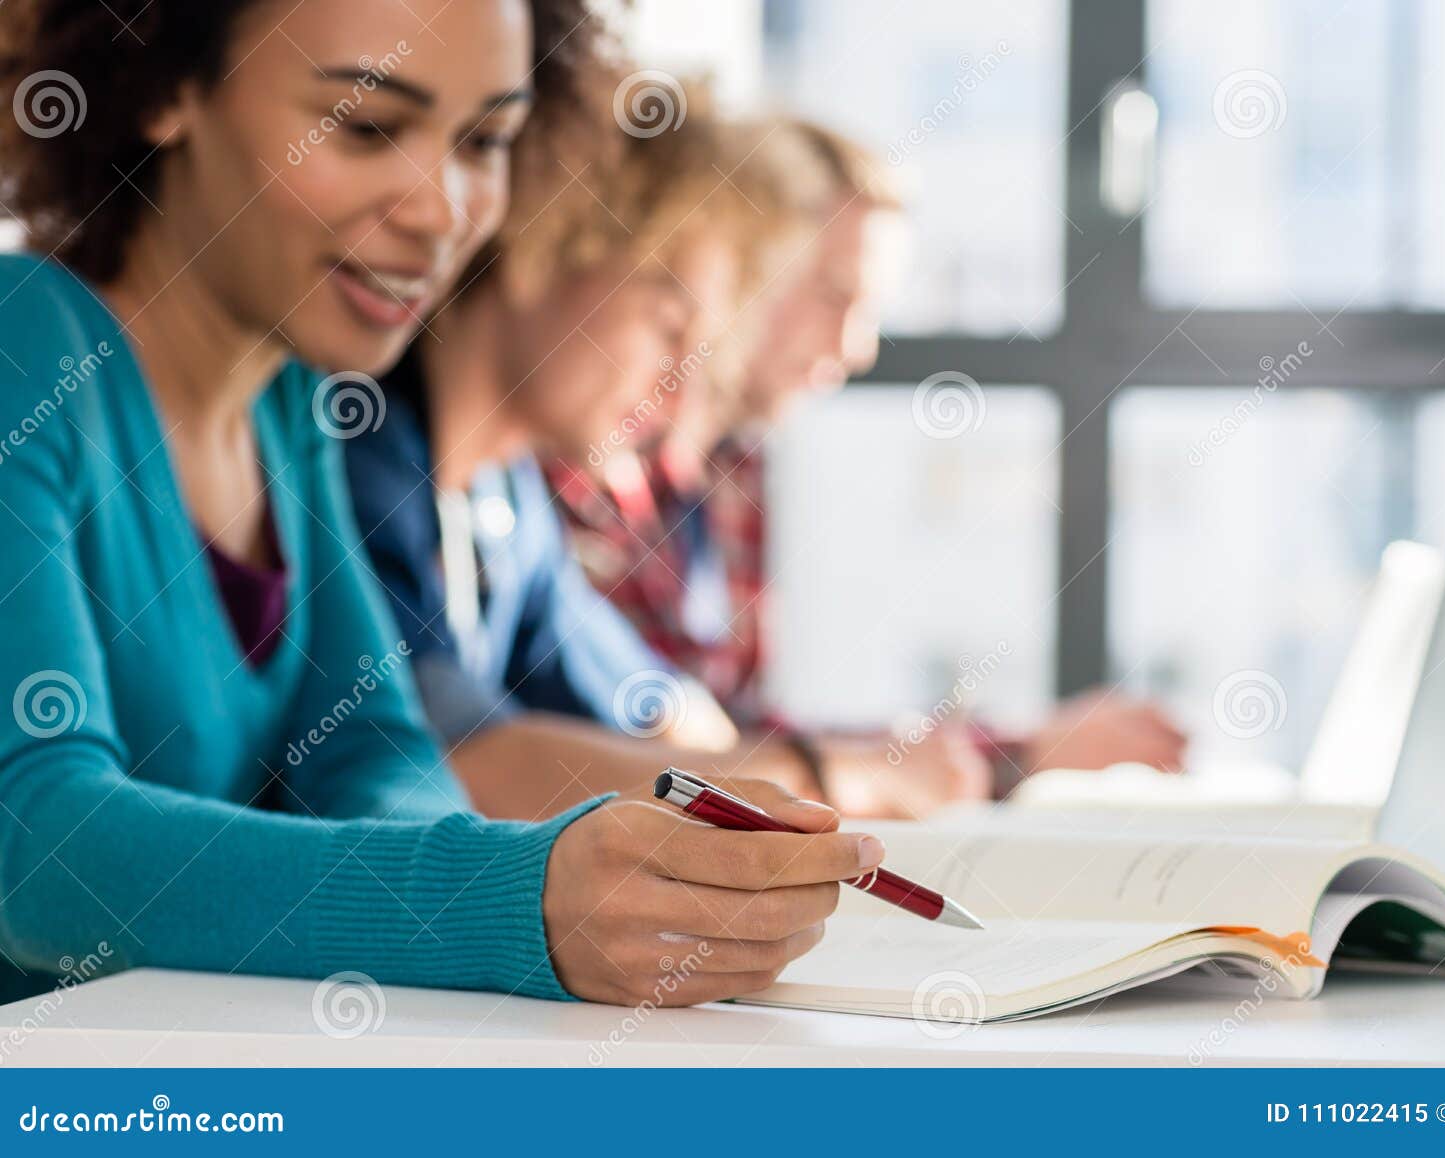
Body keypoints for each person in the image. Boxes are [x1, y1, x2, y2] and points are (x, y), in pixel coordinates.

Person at [0, 0, 874, 1012]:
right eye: (368, 127)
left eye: (484, 141)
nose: (441, 208)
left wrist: (557, 876)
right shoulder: (27, 354)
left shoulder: (293, 407)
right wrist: (511, 897)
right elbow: (40, 851)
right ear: (165, 91)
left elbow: (371, 751)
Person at [348, 84, 991, 822]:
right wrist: (825, 775)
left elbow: (659, 709)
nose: (681, 399)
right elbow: (466, 765)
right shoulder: (365, 459)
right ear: (553, 241)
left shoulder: (506, 505)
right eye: (668, 325)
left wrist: (774, 766)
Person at [555, 117, 1192, 787]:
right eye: (835, 296)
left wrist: (1012, 753)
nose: (856, 348)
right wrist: (1010, 758)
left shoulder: (734, 470)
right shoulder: (585, 454)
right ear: (742, 270)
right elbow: (669, 765)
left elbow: (738, 736)